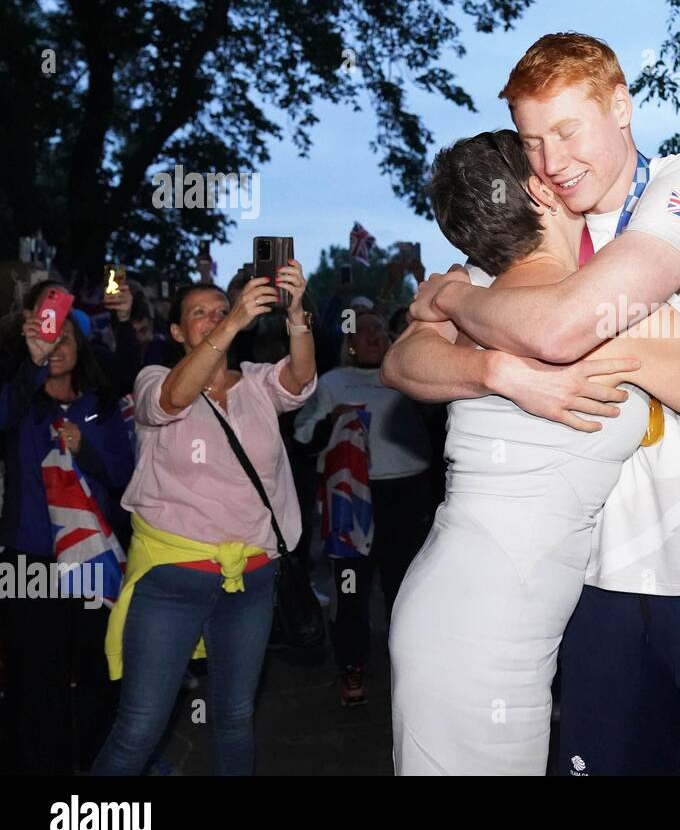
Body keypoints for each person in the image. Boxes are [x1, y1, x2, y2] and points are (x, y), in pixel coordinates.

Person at [386, 32, 680, 777]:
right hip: (593, 581)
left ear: (621, 106)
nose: (551, 161)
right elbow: (404, 358)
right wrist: (492, 369)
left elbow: (570, 324)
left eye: (567, 129)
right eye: (532, 141)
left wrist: (458, 297)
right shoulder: (540, 237)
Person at [92, 263, 316, 775]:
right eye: (201, 313)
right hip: (172, 579)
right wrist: (233, 321)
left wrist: (297, 312)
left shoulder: (258, 383)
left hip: (252, 579)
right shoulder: (154, 380)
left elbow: (301, 379)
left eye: (222, 308)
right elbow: (173, 399)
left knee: (235, 716)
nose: (215, 317)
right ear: (176, 332)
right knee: (140, 726)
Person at [0, 308, 134, 773]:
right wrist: (29, 368)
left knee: (98, 670)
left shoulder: (101, 404)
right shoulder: (18, 403)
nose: (57, 349)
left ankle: (97, 763)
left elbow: (124, 475)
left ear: (80, 349)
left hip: (94, 557)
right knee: (35, 676)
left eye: (66, 340)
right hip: (30, 560)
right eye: (48, 342)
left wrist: (86, 451)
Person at [294, 310, 438, 705]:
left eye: (380, 327)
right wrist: (331, 421)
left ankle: (412, 669)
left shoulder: (408, 374)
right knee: (351, 588)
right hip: (352, 497)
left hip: (407, 493)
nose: (375, 334)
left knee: (407, 589)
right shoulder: (332, 382)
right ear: (350, 342)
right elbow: (303, 436)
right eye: (365, 329)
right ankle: (352, 667)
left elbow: (438, 418)